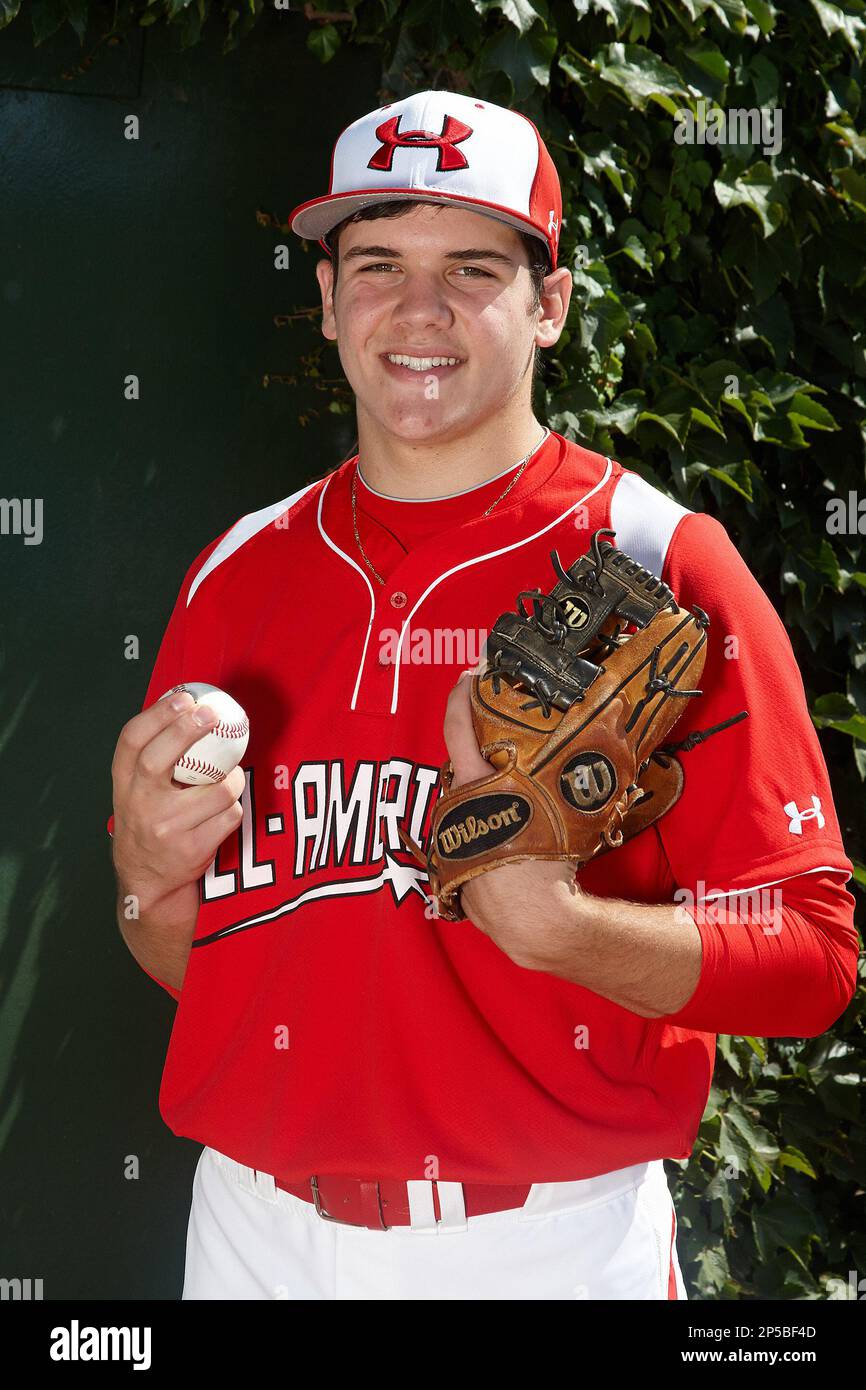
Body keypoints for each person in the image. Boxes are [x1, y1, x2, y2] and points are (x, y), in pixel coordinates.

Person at [109, 90, 858, 1301]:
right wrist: (147, 874)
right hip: (250, 1233)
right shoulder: (234, 571)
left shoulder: (656, 558)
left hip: (540, 1248)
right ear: (326, 300)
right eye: (375, 265)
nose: (418, 309)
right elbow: (197, 965)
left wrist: (565, 930)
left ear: (548, 303)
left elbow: (812, 959)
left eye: (470, 265)